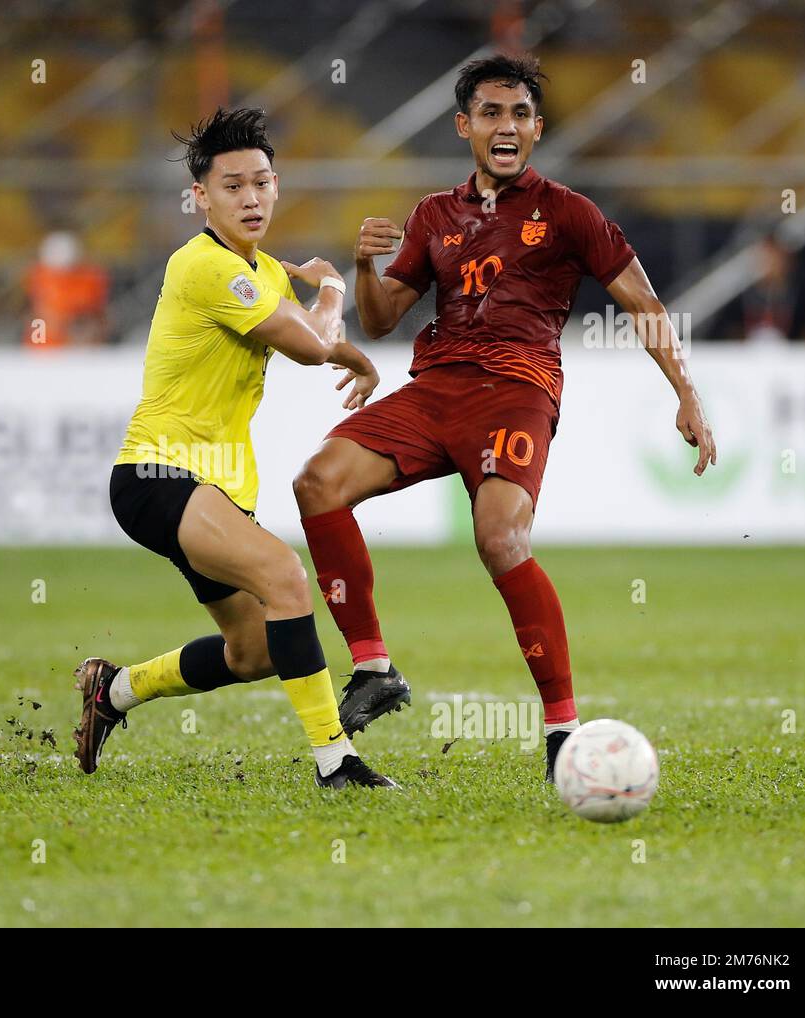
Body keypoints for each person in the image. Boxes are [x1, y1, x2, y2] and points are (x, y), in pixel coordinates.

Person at [292, 54, 718, 779]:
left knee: (499, 538)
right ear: (465, 125)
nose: (507, 125)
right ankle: (374, 668)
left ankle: (561, 732)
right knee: (316, 483)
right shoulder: (433, 214)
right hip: (435, 388)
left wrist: (687, 394)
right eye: (491, 112)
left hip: (519, 388)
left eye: (520, 113)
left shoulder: (569, 212)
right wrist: (364, 266)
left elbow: (643, 305)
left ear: (537, 128)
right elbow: (381, 320)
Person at [73, 107, 396, 789]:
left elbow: (311, 332)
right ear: (200, 197)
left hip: (213, 487)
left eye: (262, 183)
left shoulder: (260, 273)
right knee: (286, 578)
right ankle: (337, 764)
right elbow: (312, 344)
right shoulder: (204, 267)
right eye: (232, 187)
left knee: (253, 651)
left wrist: (345, 343)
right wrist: (333, 285)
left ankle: (115, 690)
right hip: (160, 471)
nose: (251, 199)